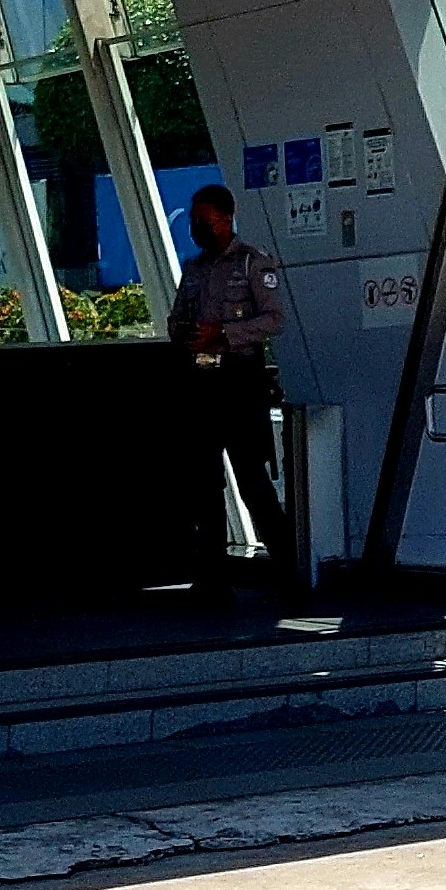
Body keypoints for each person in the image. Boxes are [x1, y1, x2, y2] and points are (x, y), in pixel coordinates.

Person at [168, 184, 296, 597]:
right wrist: (186, 334)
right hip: (200, 385)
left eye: (204, 221)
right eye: (193, 222)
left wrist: (222, 332)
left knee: (252, 480)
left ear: (226, 219)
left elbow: (275, 319)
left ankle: (286, 569)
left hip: (239, 382)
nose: (198, 229)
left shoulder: (252, 263)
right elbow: (175, 319)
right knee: (203, 484)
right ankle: (211, 576)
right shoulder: (194, 269)